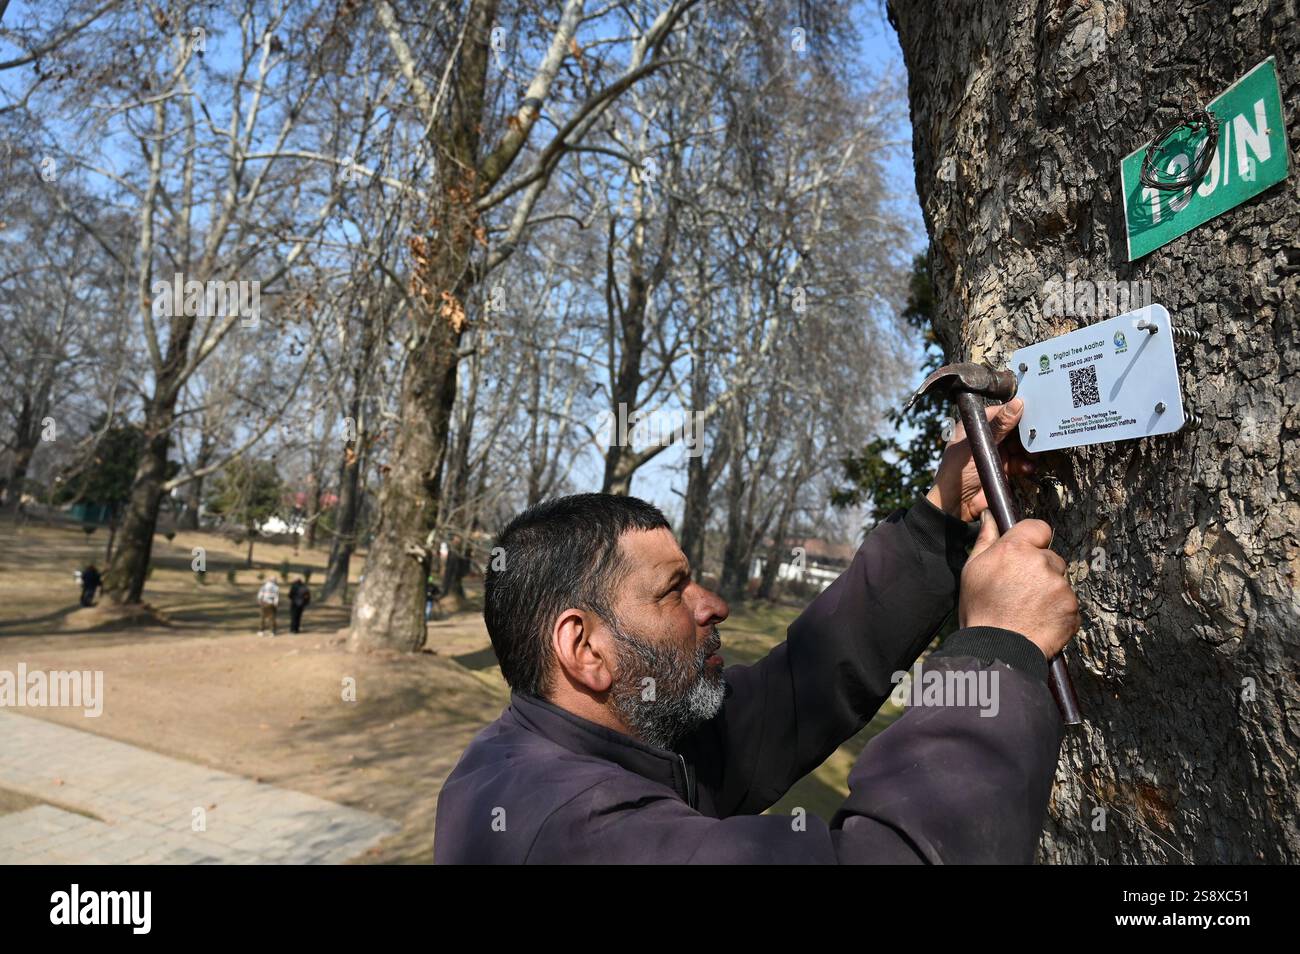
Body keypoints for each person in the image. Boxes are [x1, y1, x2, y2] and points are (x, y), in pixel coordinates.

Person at [434, 399, 1080, 864]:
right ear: (584, 648)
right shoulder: (568, 831)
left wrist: (939, 516)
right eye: (673, 589)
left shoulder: (615, 734)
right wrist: (996, 649)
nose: (713, 604)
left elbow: (798, 690)